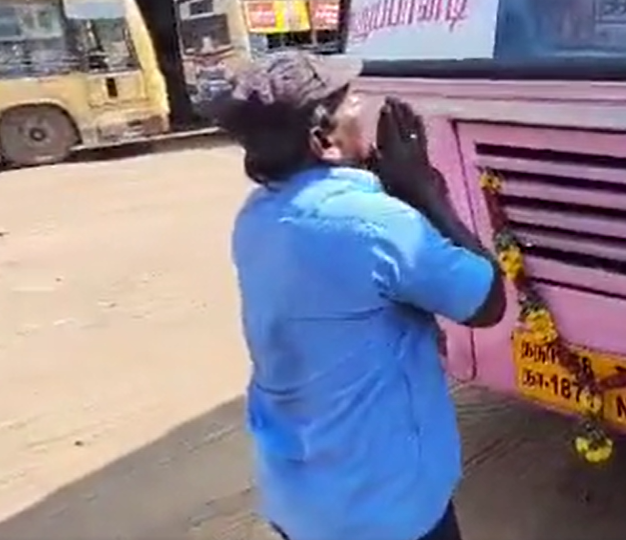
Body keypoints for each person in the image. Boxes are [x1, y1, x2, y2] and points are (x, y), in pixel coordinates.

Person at [214, 50, 506, 540]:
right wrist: (424, 191)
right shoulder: (372, 224)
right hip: (386, 510)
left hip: (300, 500)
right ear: (322, 140)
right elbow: (486, 299)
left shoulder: (256, 218)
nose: (363, 105)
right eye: (350, 101)